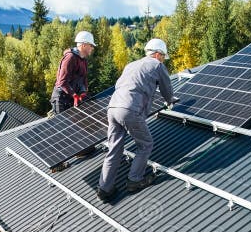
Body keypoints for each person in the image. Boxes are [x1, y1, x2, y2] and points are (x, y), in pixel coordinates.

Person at [96, 38, 176, 202]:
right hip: (130, 109)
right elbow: (166, 87)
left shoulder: (131, 65)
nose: (163, 59)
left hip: (112, 108)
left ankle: (104, 188)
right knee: (146, 144)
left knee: (115, 148)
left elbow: (121, 85)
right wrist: (170, 101)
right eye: (162, 56)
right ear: (157, 54)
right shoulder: (157, 65)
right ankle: (134, 180)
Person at [50, 30, 95, 115]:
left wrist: (83, 93)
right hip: (61, 99)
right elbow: (62, 82)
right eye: (91, 45)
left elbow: (84, 79)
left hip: (72, 98)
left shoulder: (84, 60)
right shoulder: (70, 58)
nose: (92, 48)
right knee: (62, 126)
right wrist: (74, 95)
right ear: (84, 45)